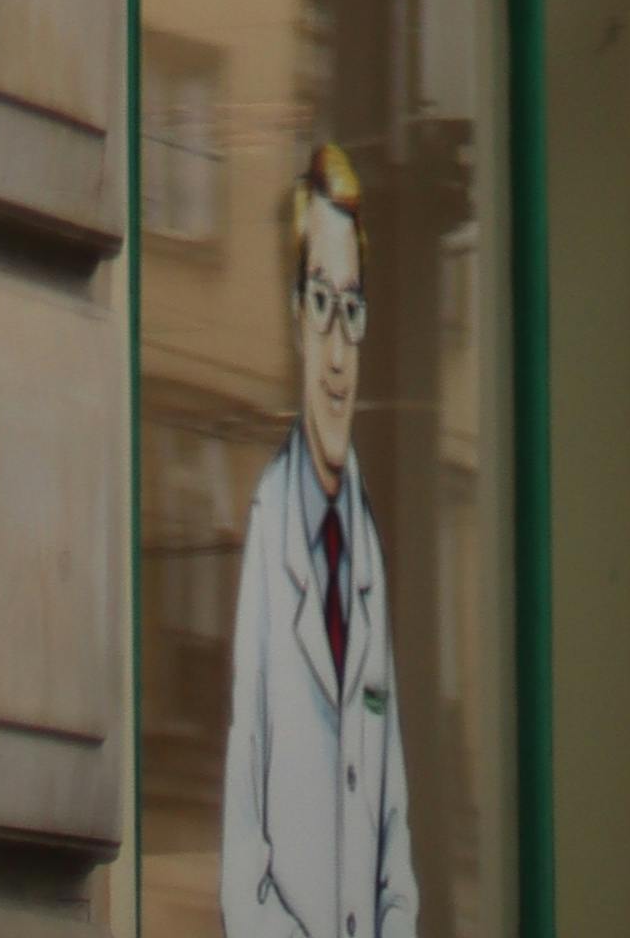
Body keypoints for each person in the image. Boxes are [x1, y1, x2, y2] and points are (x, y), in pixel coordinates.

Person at [222, 139, 417, 937]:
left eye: (354, 307)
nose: (339, 352)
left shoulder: (368, 544)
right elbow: (242, 868)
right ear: (295, 320)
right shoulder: (267, 530)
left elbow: (394, 849)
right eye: (321, 304)